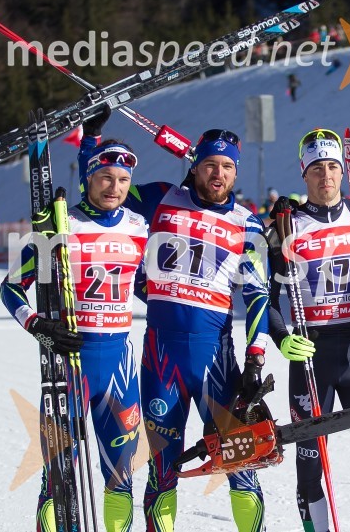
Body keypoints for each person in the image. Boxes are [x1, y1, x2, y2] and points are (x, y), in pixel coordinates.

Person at [79, 110, 272, 532]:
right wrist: (92, 139)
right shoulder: (160, 198)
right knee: (162, 470)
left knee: (241, 467)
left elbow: (259, 296)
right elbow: (98, 188)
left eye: (226, 167)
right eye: (209, 165)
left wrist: (255, 359)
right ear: (195, 166)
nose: (218, 174)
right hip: (160, 359)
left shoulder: (248, 223)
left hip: (216, 361)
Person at [0, 126, 147, 531]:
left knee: (121, 478)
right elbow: (10, 288)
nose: (114, 187)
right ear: (88, 178)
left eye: (122, 180)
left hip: (119, 369)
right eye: (105, 178)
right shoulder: (61, 228)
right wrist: (39, 326)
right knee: (57, 480)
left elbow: (150, 287)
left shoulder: (139, 226)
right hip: (68, 367)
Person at [266, 129, 350, 532]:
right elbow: (268, 297)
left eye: (332, 167)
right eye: (316, 169)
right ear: (304, 174)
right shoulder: (286, 226)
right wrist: (281, 337)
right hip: (312, 355)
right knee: (310, 463)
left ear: (342, 172)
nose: (325, 175)